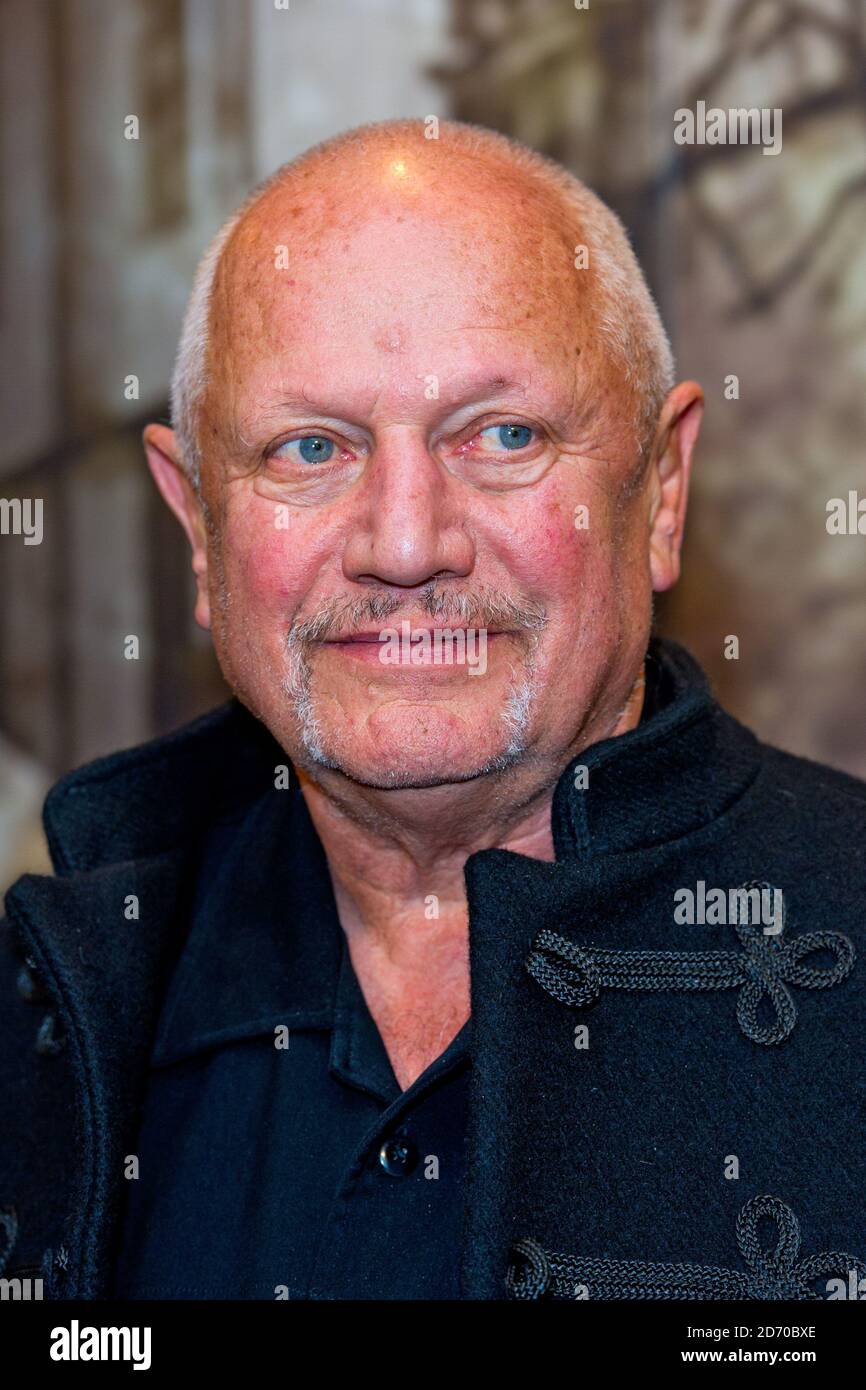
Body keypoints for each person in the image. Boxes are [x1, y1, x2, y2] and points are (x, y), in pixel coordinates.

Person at [2, 119, 865, 1302]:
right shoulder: (52, 1015)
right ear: (197, 524)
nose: (404, 543)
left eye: (501, 435)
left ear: (660, 487)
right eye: (309, 448)